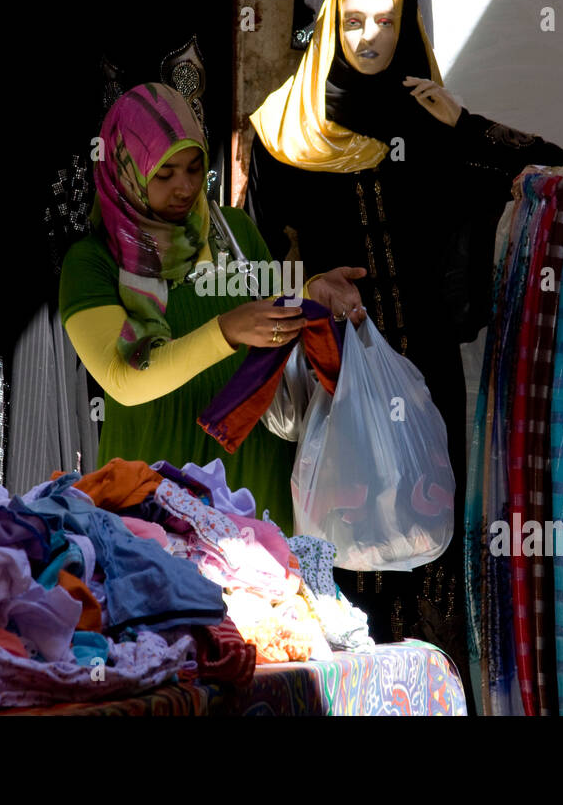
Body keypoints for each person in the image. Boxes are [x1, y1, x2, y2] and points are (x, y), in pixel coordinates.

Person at [246, 0, 563, 670]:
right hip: (335, 372)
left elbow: (559, 173)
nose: (370, 37)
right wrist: (310, 289)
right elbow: (259, 261)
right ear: (331, 24)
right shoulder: (283, 129)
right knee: (346, 545)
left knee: (428, 540)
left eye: (387, 22)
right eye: (355, 21)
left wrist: (464, 125)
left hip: (424, 373)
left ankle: (432, 693)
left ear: (408, 28)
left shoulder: (429, 124)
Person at [59, 83, 365, 533]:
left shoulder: (234, 231)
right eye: (164, 175)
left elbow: (273, 317)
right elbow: (123, 377)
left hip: (255, 478)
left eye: (195, 167)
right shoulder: (93, 261)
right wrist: (226, 331)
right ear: (125, 170)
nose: (184, 187)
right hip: (156, 489)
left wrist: (311, 294)